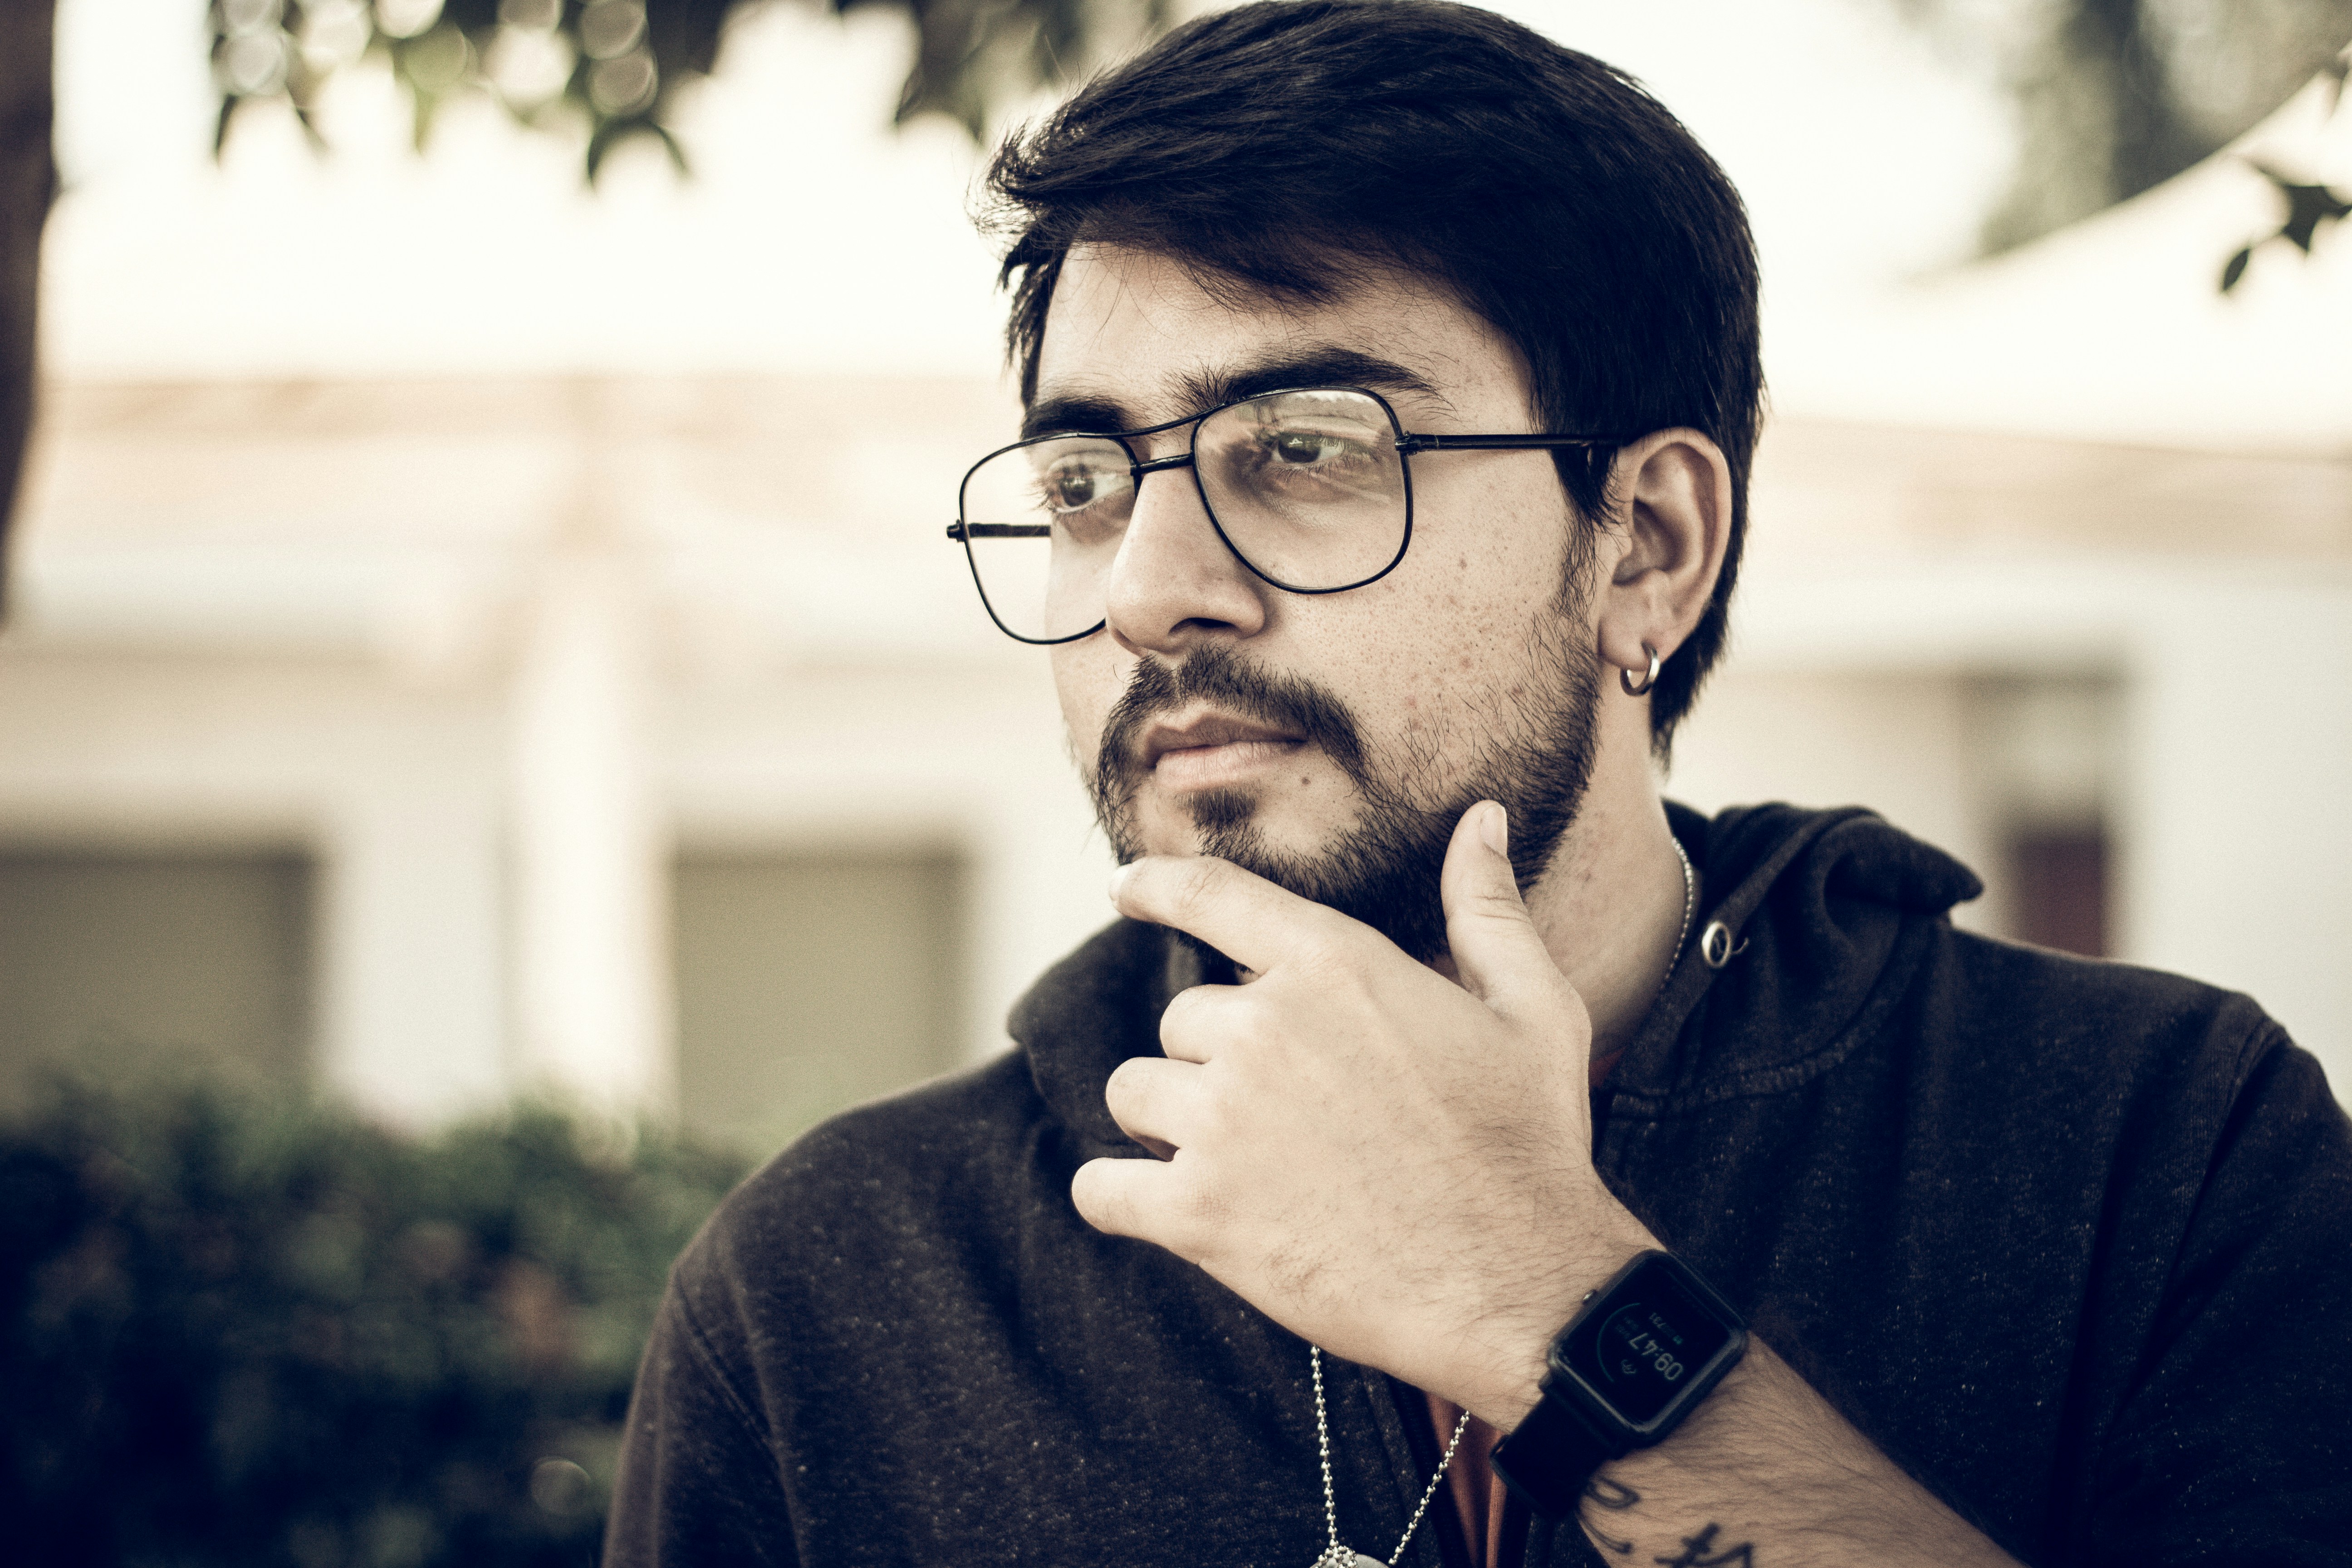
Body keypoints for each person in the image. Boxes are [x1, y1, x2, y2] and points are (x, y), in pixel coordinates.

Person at [603, 3, 2352, 1564]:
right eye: (1083, 479)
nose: (1145, 585)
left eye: (1303, 450)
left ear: (1646, 549)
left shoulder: (2155, 1151)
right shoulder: (839, 1295)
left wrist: (1551, 1305)